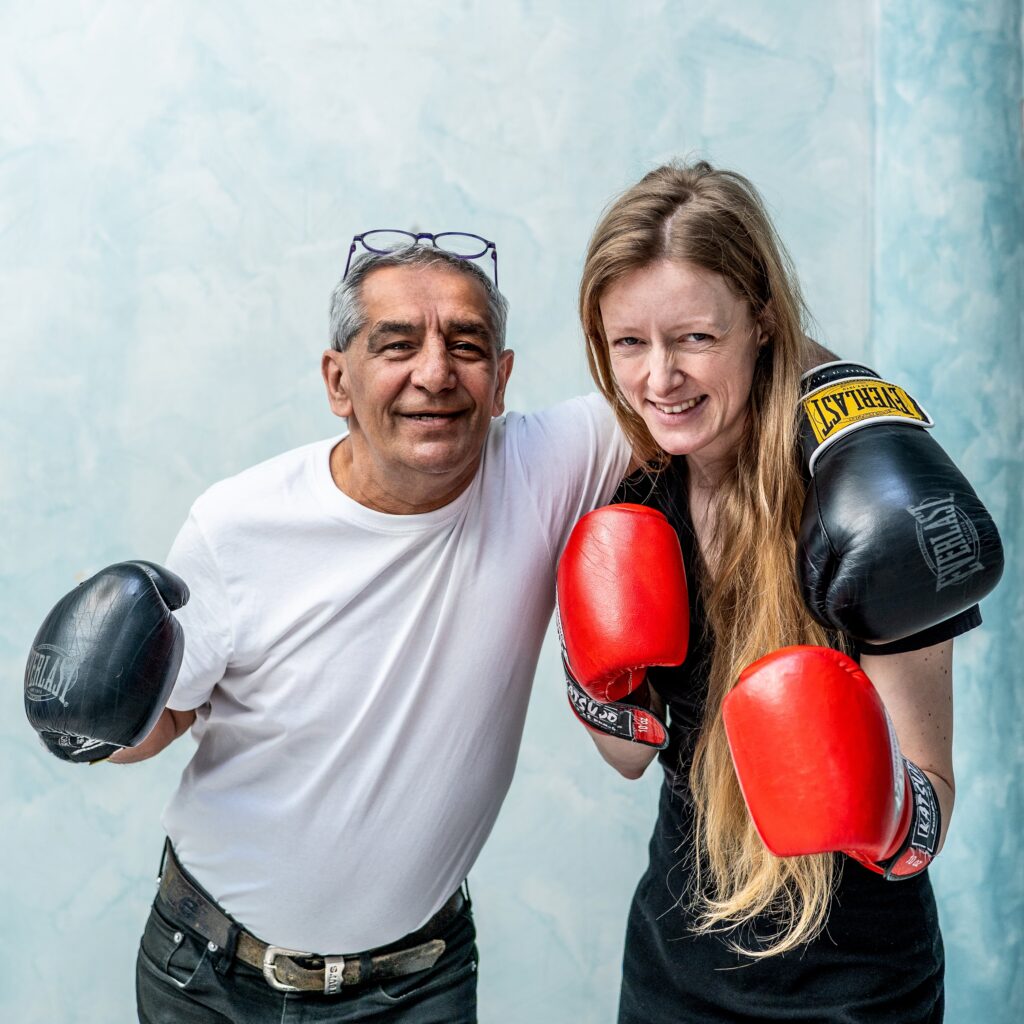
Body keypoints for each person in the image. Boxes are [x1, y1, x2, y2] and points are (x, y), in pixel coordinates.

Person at [25, 233, 630, 1022]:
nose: (436, 372)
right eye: (398, 345)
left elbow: (723, 368)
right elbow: (168, 717)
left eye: (467, 345)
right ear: (337, 381)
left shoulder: (545, 469)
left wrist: (844, 415)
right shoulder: (238, 524)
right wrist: (91, 714)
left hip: (419, 983)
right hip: (209, 977)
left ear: (502, 378)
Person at [556, 162, 1003, 1023]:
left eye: (694, 338)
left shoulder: (861, 505)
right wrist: (597, 677)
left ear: (761, 321)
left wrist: (867, 799)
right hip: (669, 975)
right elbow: (629, 756)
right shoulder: (638, 500)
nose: (660, 379)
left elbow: (931, 802)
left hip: (856, 989)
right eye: (629, 343)